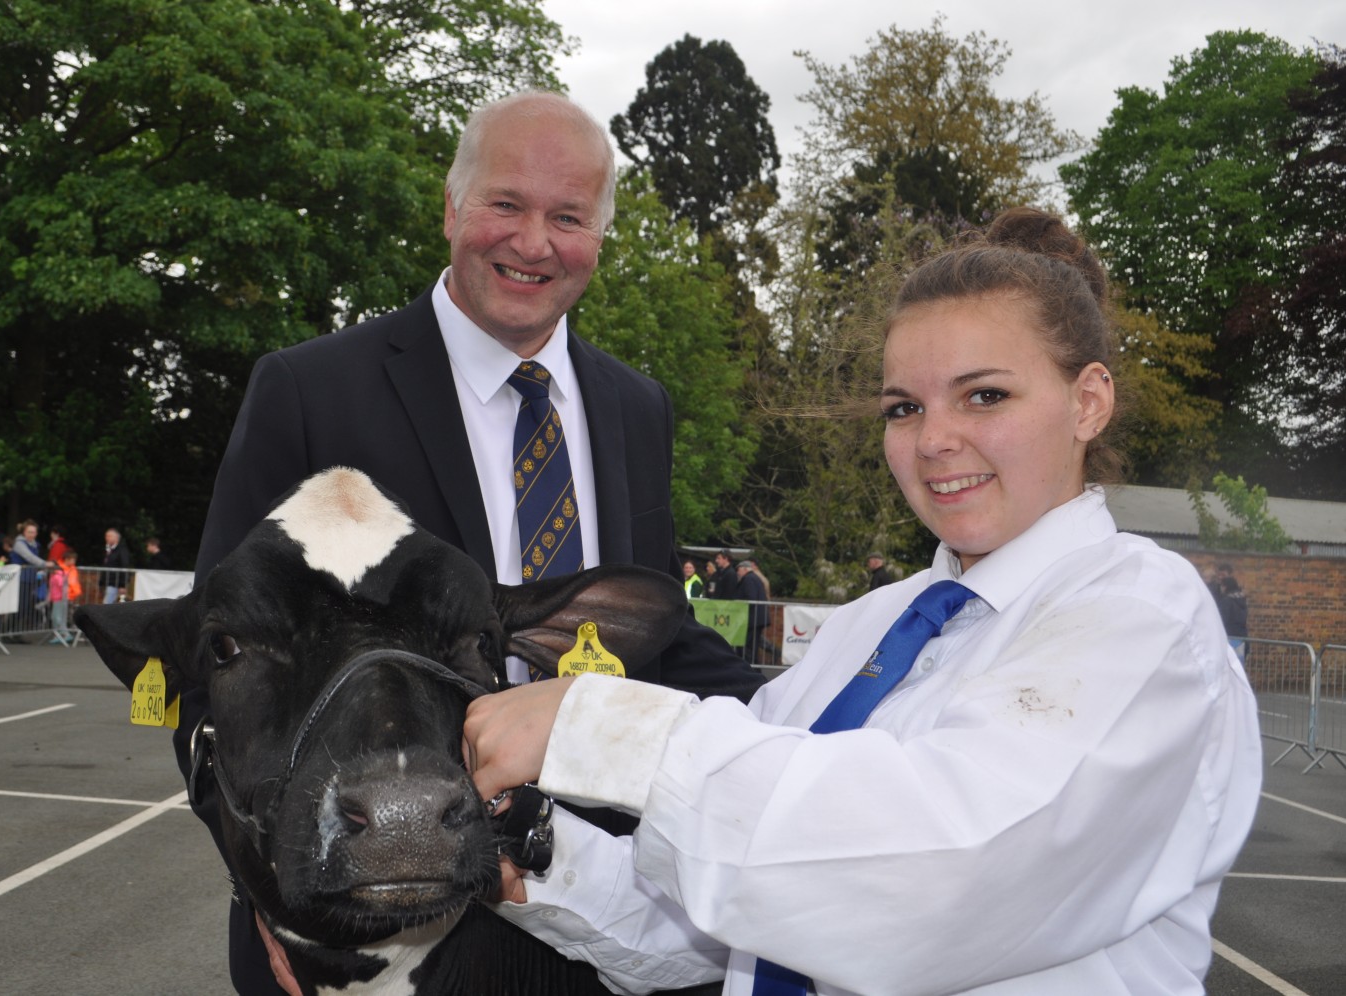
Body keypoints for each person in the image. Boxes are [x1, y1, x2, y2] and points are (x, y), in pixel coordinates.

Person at [464, 207, 1263, 995]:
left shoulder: (1146, 620)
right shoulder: (868, 630)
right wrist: (519, 848)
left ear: (1088, 402)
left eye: (984, 396)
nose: (934, 439)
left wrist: (607, 729)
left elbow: (935, 879)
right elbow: (737, 910)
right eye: (903, 408)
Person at [184, 89, 763, 994]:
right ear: (453, 208)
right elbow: (215, 654)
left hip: (609, 905)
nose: (534, 243)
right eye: (506, 205)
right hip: (385, 929)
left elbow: (662, 636)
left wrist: (820, 727)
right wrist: (277, 902)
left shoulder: (634, 406)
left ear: (599, 238)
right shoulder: (309, 391)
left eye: (567, 217)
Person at [734, 559, 770, 665]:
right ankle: (754, 669)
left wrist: (738, 606)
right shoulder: (754, 578)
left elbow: (751, 598)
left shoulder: (748, 579)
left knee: (749, 647)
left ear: (745, 569)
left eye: (739, 569)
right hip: (757, 618)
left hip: (752, 618)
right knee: (753, 646)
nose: (737, 572)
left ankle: (751, 669)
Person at [47, 549, 80, 643]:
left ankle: (63, 634)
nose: (74, 562)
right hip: (62, 596)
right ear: (67, 559)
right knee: (59, 616)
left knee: (58, 616)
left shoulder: (64, 570)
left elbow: (69, 583)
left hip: (63, 596)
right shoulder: (61, 569)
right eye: (73, 559)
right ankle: (61, 634)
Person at [98, 528, 130, 604]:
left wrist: (122, 584)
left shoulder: (121, 550)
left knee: (107, 604)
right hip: (108, 582)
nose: (107, 538)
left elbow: (124, 566)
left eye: (109, 536)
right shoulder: (108, 549)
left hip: (114, 583)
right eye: (106, 536)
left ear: (116, 538)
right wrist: (101, 582)